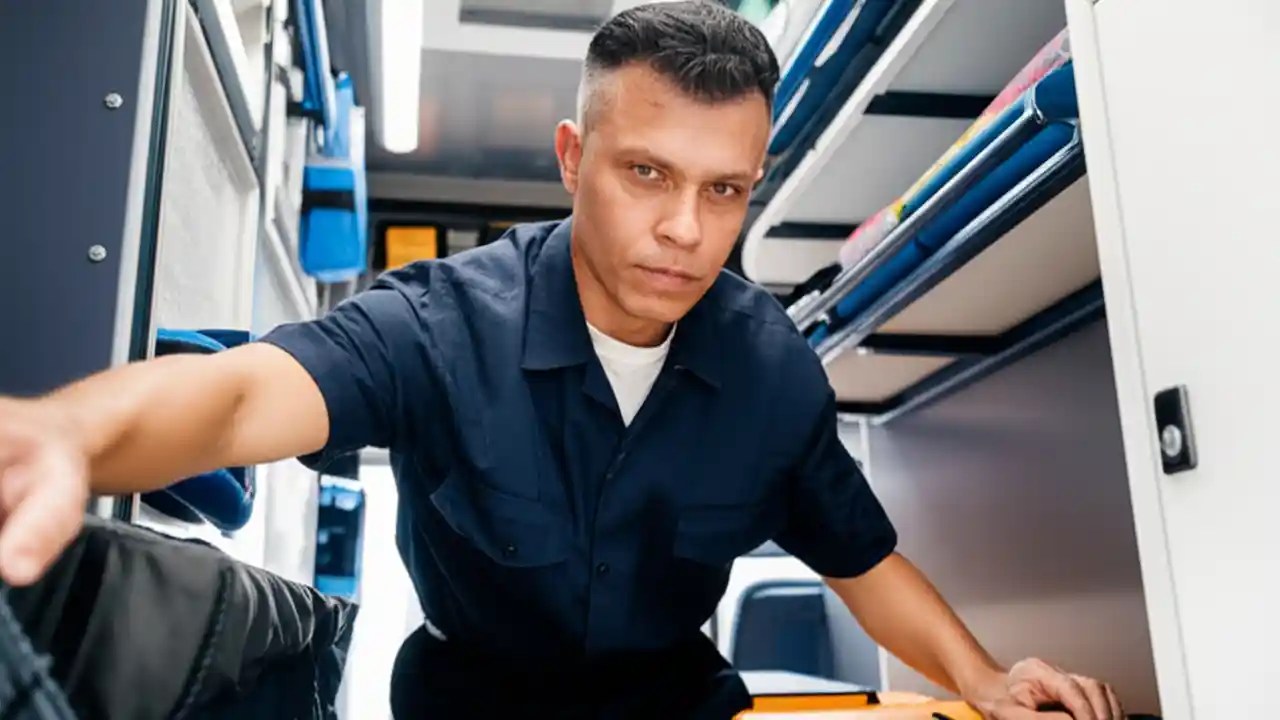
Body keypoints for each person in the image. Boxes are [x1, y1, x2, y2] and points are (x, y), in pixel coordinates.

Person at [0, 2, 1125, 718]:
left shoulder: (771, 371)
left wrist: (980, 677)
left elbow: (862, 562)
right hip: (465, 702)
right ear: (573, 159)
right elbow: (249, 393)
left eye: (723, 189)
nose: (686, 229)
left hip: (673, 704)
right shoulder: (444, 324)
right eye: (646, 174)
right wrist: (70, 433)